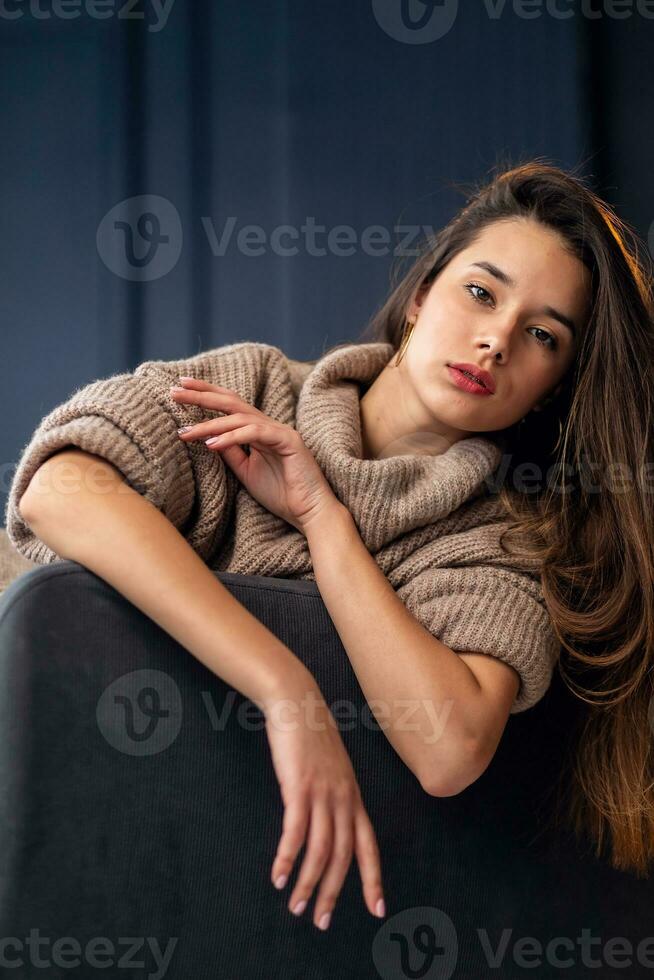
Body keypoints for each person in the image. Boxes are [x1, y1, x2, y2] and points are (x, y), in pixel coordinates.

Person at [7, 159, 653, 934]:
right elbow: (60, 490)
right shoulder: (253, 389)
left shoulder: (498, 544)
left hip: (188, 892)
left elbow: (448, 750)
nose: (495, 341)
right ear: (420, 298)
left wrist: (324, 517)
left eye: (542, 335)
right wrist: (287, 693)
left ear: (553, 383)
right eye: (480, 292)